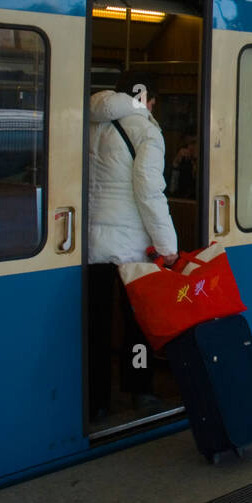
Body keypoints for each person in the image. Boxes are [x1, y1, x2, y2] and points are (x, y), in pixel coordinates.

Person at [87, 71, 179, 419]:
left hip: (89, 242)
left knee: (94, 325)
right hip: (131, 247)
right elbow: (148, 191)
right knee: (136, 322)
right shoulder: (147, 130)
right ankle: (139, 391)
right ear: (146, 99)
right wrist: (167, 245)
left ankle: (96, 401)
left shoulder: (91, 122)